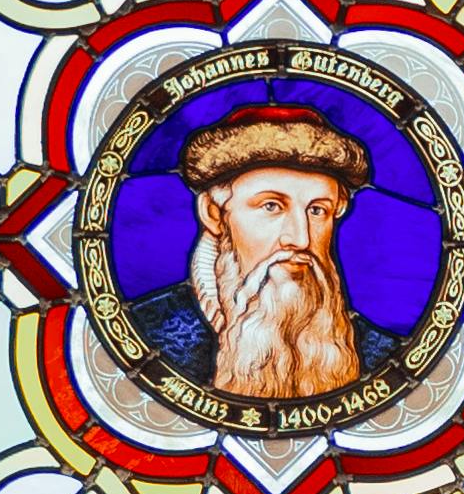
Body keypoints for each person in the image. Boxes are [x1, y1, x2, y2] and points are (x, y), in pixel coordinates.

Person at [129, 95, 417, 408]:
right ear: (214, 213)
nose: (300, 239)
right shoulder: (147, 338)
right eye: (271, 206)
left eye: (318, 210)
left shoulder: (379, 355)